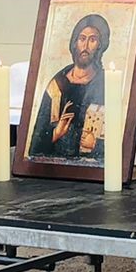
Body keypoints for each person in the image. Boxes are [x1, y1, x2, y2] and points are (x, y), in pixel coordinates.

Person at [28, 14, 110, 165]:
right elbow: (36, 144)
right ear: (75, 42)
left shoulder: (105, 84)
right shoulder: (57, 85)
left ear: (100, 45)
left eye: (92, 40)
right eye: (82, 38)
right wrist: (56, 133)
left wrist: (95, 144)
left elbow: (117, 138)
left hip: (91, 170)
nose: (85, 46)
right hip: (56, 170)